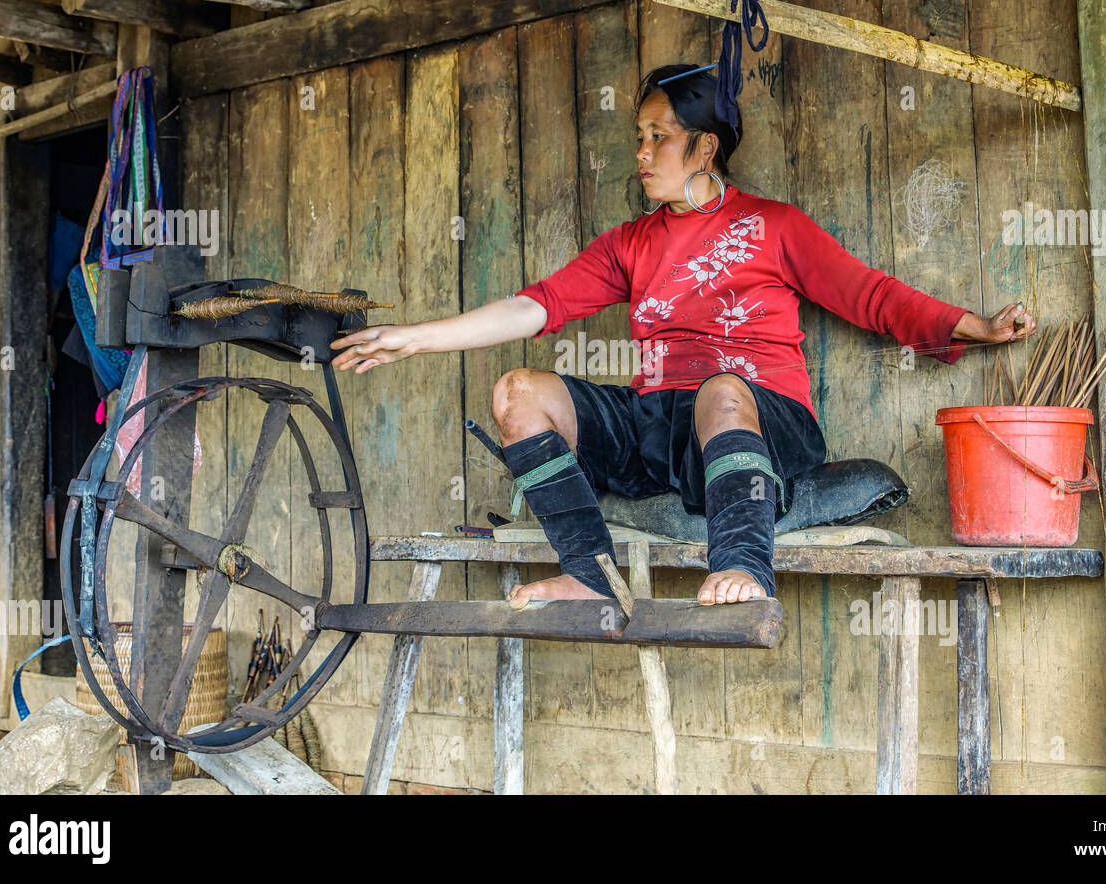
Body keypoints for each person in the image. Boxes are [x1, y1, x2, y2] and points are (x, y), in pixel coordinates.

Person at [330, 63, 1036, 610]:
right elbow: (535, 308)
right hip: (659, 428)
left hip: (759, 421)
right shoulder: (630, 243)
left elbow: (869, 295)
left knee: (722, 389)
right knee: (520, 391)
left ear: (705, 146)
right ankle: (590, 574)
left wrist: (973, 325)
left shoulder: (773, 226)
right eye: (638, 137)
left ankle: (741, 563)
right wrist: (417, 338)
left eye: (657, 137)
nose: (642, 152)